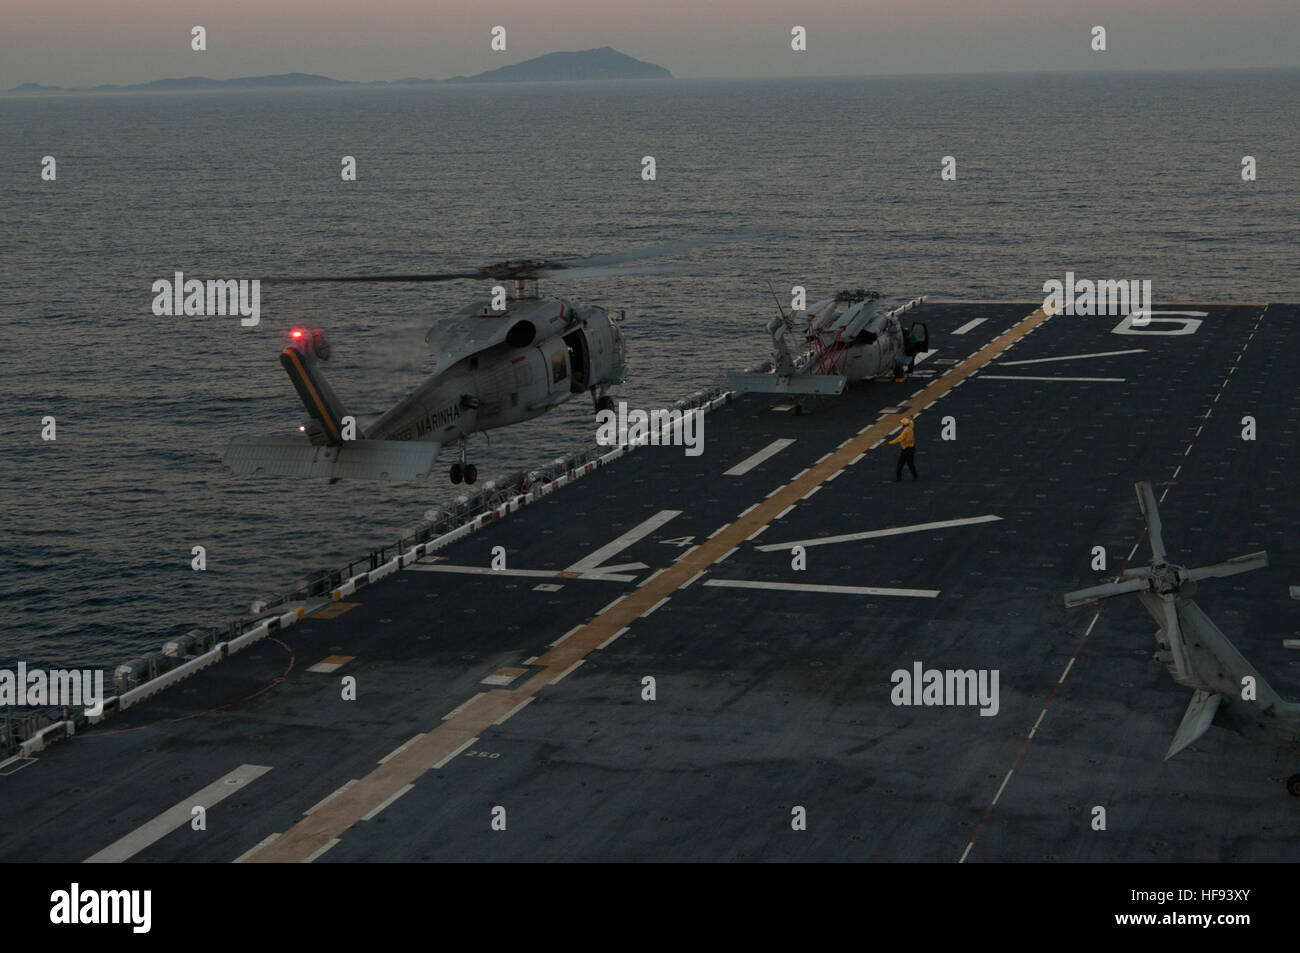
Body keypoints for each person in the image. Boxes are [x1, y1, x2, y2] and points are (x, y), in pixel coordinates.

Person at [889, 416, 918, 481]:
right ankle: (915, 477)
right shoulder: (910, 427)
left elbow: (899, 438)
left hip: (907, 449)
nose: (901, 424)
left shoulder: (905, 432)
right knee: (910, 464)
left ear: (904, 425)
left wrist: (889, 443)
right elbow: (912, 423)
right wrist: (911, 419)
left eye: (902, 423)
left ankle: (899, 478)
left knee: (901, 464)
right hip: (911, 448)